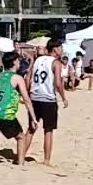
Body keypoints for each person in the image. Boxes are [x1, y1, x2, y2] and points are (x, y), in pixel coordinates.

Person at [26, 38, 69, 166]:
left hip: (35, 97)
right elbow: (58, 83)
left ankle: (21, 155)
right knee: (48, 130)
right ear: (55, 49)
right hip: (48, 99)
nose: (62, 50)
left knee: (31, 129)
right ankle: (46, 160)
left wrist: (28, 93)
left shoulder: (38, 60)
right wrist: (64, 97)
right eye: (60, 48)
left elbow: (28, 77)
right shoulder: (56, 63)